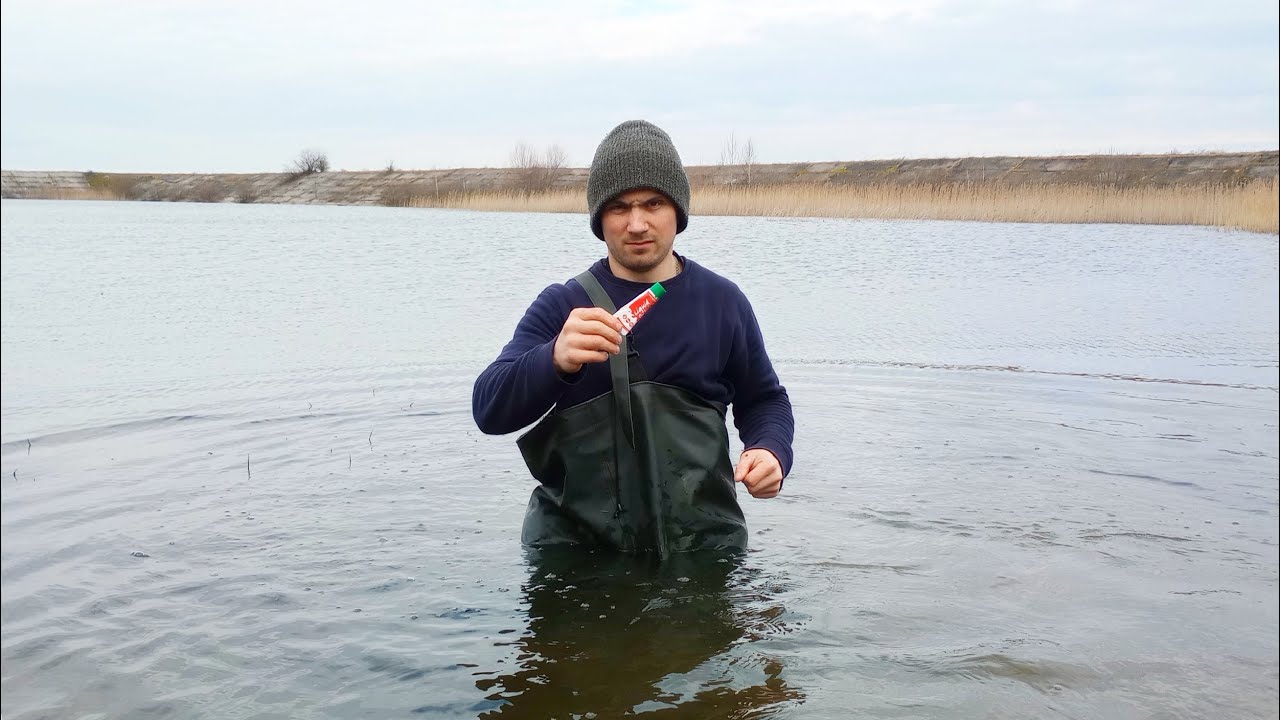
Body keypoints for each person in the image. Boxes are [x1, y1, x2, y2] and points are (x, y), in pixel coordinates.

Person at [472, 119, 794, 554]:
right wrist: (554, 359)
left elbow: (764, 399)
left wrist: (770, 450)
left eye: (653, 203)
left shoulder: (722, 302)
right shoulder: (562, 305)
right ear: (599, 218)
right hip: (575, 555)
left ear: (677, 212)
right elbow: (489, 410)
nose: (637, 223)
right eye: (619, 207)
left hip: (700, 548)